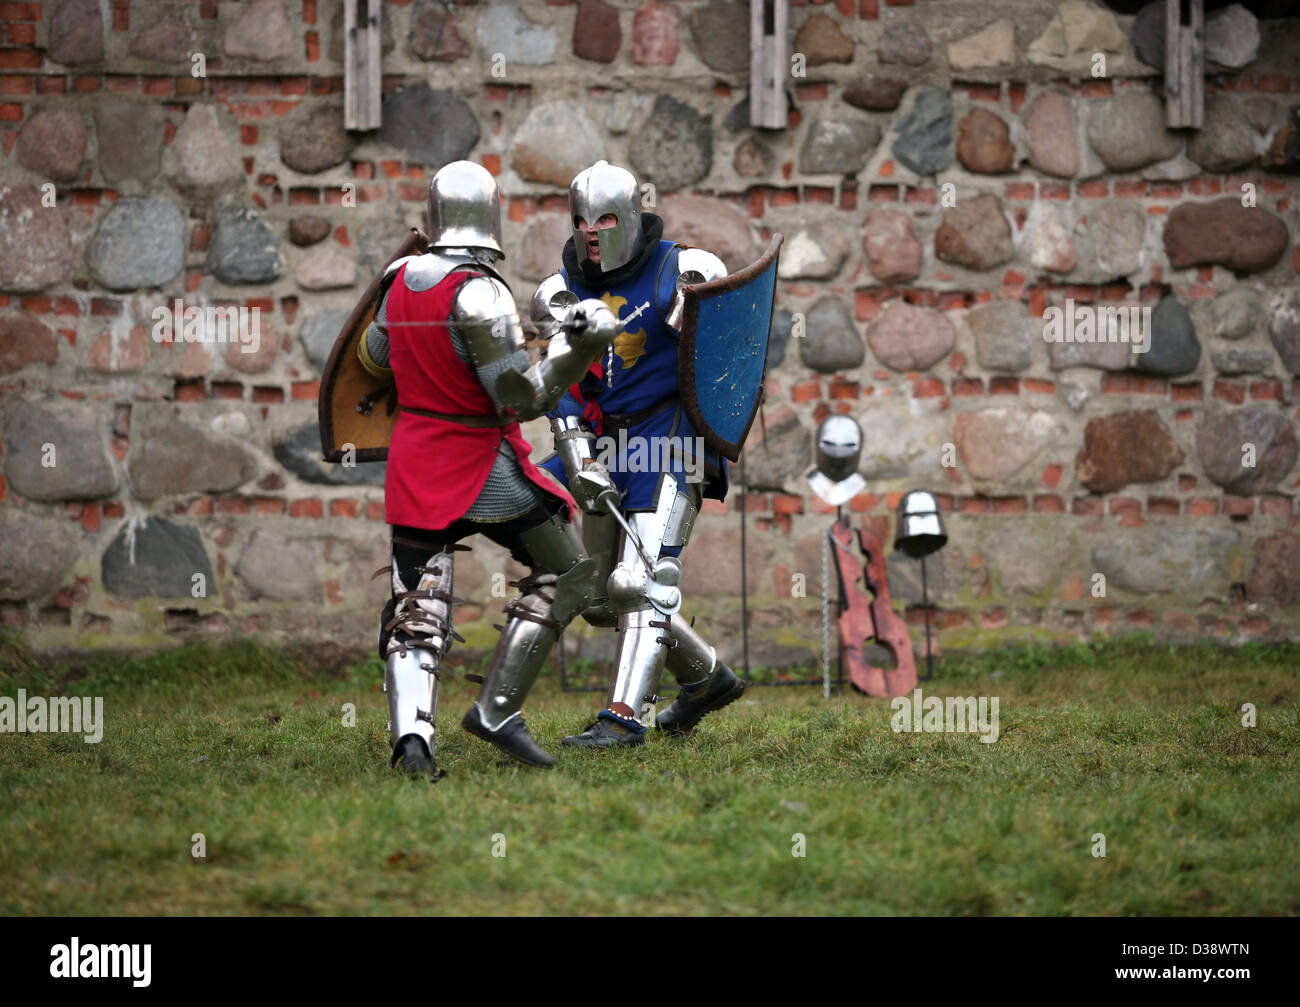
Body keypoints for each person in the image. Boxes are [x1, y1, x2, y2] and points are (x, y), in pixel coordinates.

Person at [356, 160, 619, 775]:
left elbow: (373, 357)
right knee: (572, 571)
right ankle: (497, 708)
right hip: (481, 462)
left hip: (416, 459)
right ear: (489, 215)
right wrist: (578, 350)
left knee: (418, 601)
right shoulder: (481, 291)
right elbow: (518, 399)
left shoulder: (399, 279)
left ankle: (411, 742)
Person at [529, 160, 747, 749]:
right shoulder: (560, 292)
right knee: (599, 599)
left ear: (631, 214)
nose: (591, 231)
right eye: (580, 220)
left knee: (639, 582)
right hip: (604, 443)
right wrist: (573, 448)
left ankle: (624, 718)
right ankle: (706, 679)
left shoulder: (686, 271)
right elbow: (560, 382)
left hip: (670, 439)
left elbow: (720, 366)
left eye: (604, 218)